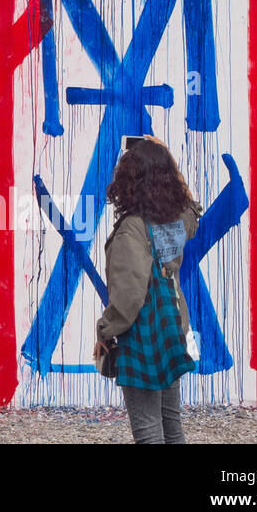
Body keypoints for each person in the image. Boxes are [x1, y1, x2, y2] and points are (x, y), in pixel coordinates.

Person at [94, 136, 201, 444]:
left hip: (143, 336)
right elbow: (193, 209)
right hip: (172, 330)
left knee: (148, 430)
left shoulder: (132, 229)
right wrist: (167, 159)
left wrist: (105, 330)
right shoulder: (175, 220)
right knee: (171, 424)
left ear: (131, 179)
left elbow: (129, 296)